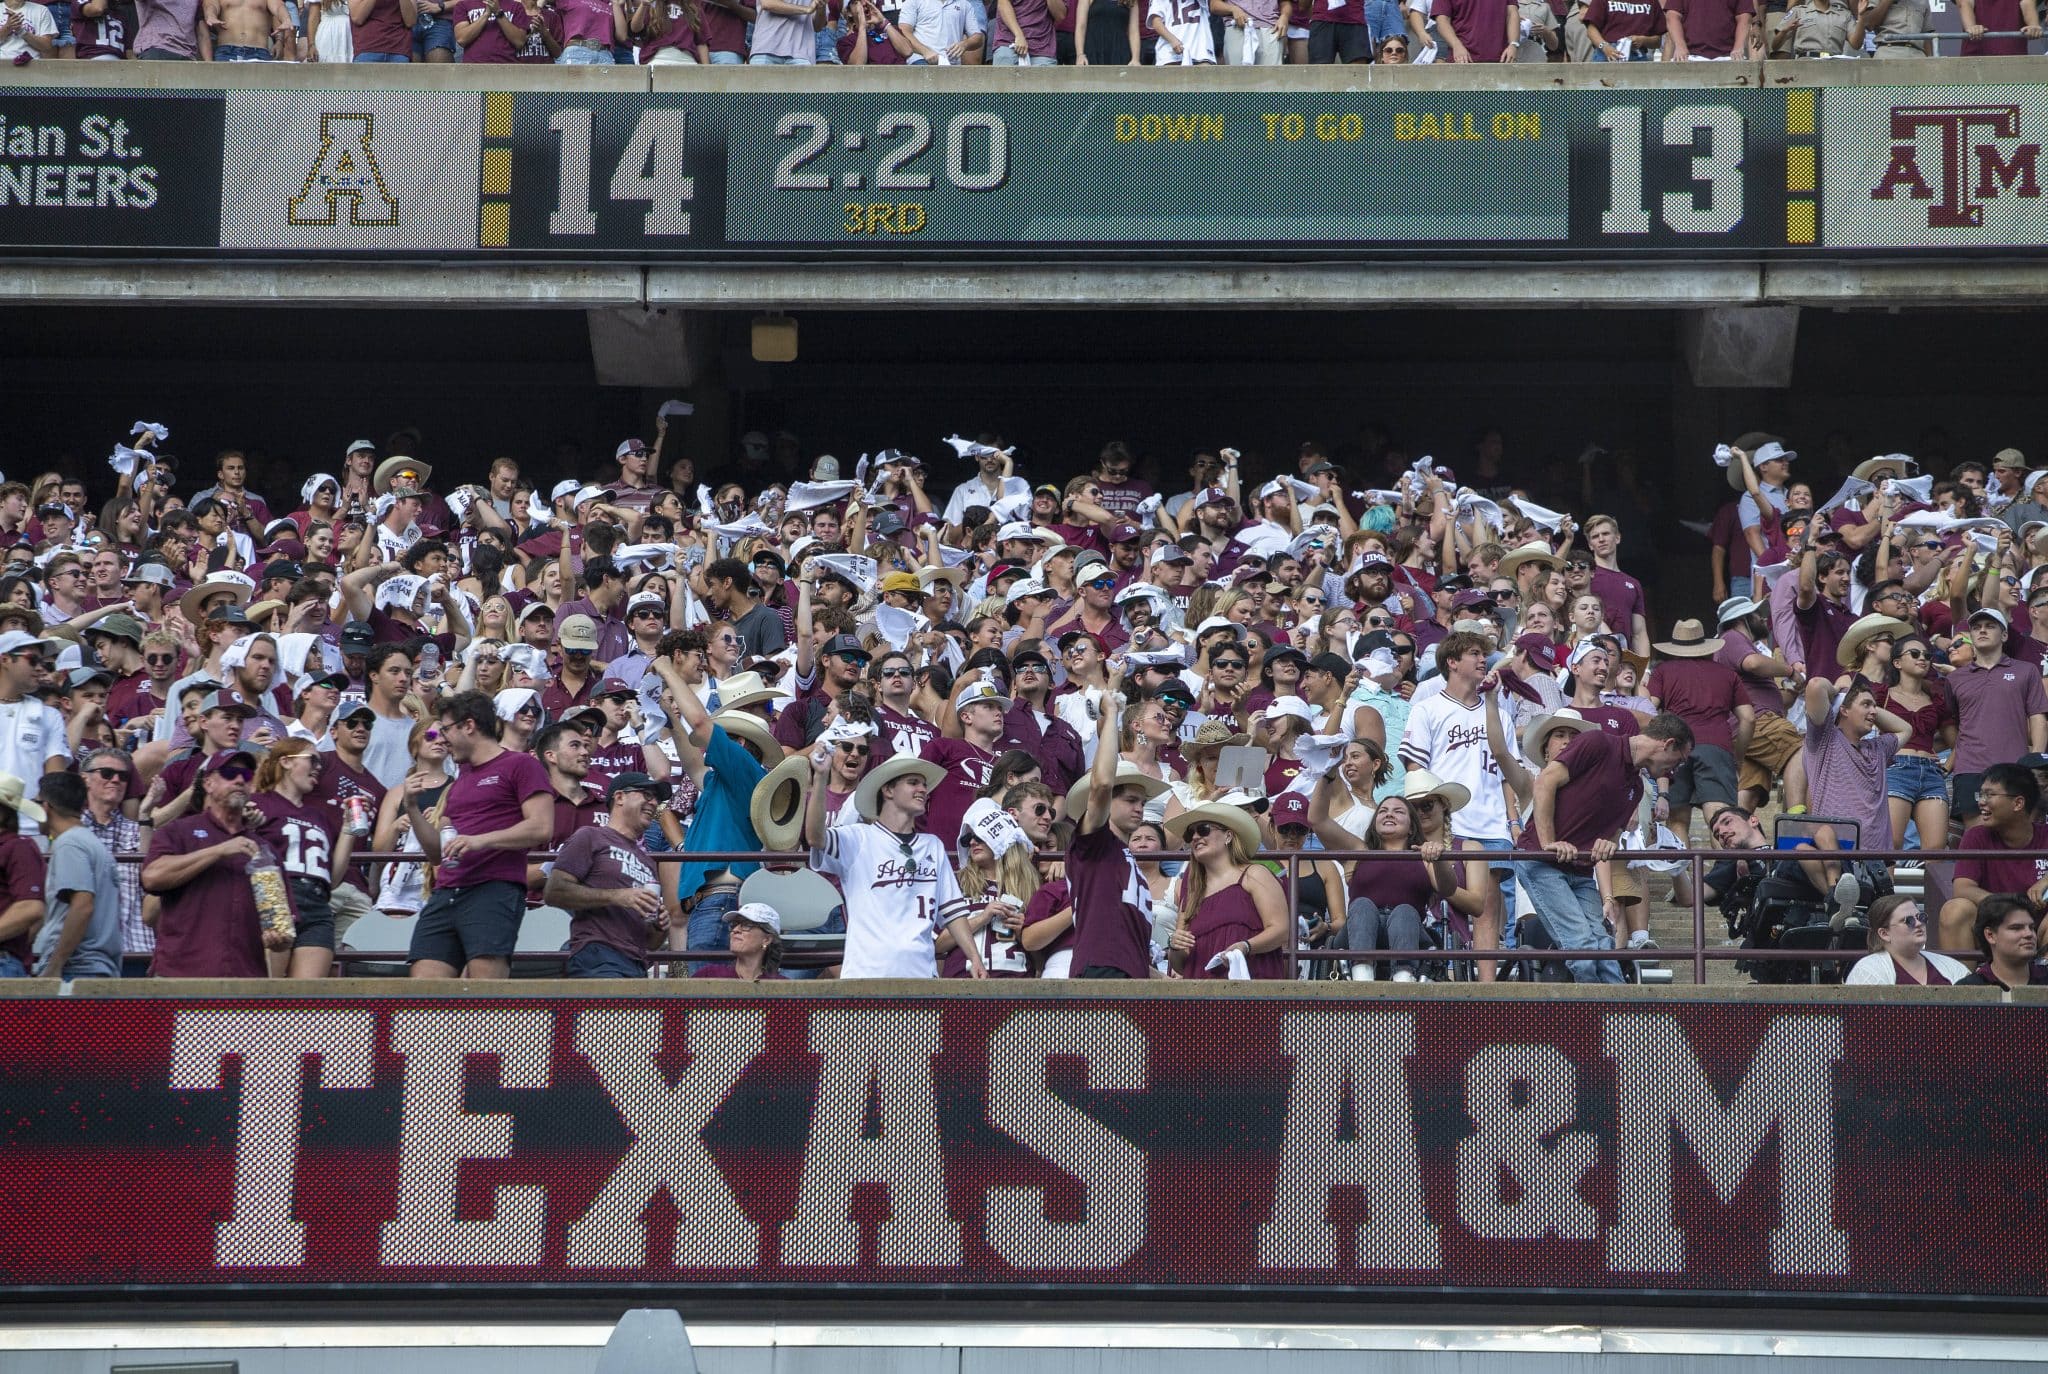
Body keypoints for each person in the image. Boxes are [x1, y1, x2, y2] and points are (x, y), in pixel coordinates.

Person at [1518, 713, 1694, 984]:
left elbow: (1611, 837)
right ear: (1668, 744)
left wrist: (1606, 846)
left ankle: (1619, 1017)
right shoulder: (1598, 742)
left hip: (1580, 871)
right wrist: (1548, 844)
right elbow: (1545, 781)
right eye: (1678, 760)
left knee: (1603, 947)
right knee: (1584, 948)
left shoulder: (1636, 786)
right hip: (1542, 863)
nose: (1674, 771)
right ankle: (1598, 1019)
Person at [407, 691, 553, 980]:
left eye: (446, 729)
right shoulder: (462, 778)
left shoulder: (521, 765)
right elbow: (438, 851)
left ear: (469, 726)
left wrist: (478, 840)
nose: (442, 739)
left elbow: (541, 827)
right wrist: (411, 807)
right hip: (447, 891)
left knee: (485, 994)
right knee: (422, 994)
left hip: (493, 890)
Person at [804, 749, 985, 979]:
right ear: (888, 790)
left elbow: (953, 912)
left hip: (922, 976)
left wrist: (974, 957)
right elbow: (815, 837)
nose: (923, 789)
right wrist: (820, 778)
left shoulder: (933, 846)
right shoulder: (858, 838)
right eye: (913, 783)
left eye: (924, 784)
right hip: (866, 976)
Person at [141, 750, 289, 977]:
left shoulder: (264, 849)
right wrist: (219, 851)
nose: (240, 780)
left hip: (243, 981)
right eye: (231, 773)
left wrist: (278, 939)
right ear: (208, 784)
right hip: (180, 977)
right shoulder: (179, 831)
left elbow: (280, 928)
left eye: (247, 775)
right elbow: (152, 877)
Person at [1065, 665, 1169, 979]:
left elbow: (1129, 940)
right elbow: (1100, 785)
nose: (1140, 809)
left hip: (1132, 976)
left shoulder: (1129, 859)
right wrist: (1111, 716)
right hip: (1100, 971)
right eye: (1130, 800)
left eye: (1142, 801)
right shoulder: (1094, 843)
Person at [546, 772, 674, 979]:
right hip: (597, 955)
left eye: (656, 799)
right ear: (620, 797)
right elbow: (554, 891)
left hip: (636, 964)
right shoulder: (590, 836)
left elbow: (650, 942)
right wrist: (618, 896)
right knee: (608, 1012)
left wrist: (660, 927)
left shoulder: (648, 862)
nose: (654, 802)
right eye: (646, 794)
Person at [250, 738, 356, 980]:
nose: (318, 766)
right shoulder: (259, 803)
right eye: (312, 759)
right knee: (266, 990)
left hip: (318, 904)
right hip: (278, 895)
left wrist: (349, 828)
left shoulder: (318, 816)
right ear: (286, 762)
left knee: (306, 1000)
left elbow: (334, 878)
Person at [1164, 800, 1289, 979]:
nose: (1195, 837)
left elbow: (1281, 930)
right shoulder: (1192, 893)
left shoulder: (1255, 874)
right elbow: (1183, 966)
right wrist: (1174, 947)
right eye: (1190, 833)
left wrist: (1246, 946)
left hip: (1250, 992)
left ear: (1228, 836)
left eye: (1204, 829)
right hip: (1202, 998)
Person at [1943, 763, 2048, 950]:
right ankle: (1965, 980)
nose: (1981, 802)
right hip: (1996, 924)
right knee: (1955, 910)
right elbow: (1963, 889)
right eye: (1981, 795)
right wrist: (2011, 908)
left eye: (1990, 795)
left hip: (2040, 927)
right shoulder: (1975, 836)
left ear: (2018, 803)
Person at [29, 772, 121, 981]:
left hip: (76, 969)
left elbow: (82, 905)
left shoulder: (69, 844)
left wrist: (54, 966)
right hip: (95, 968)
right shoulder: (91, 843)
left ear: (45, 807)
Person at [1844, 894, 1967, 986]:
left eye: (1921, 917)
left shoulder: (1951, 967)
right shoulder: (1867, 970)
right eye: (1908, 921)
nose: (1919, 923)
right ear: (1884, 933)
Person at [1957, 895, 2048, 989]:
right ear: (1990, 935)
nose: (2029, 934)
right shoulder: (1967, 989)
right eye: (2016, 928)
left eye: (2031, 927)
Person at [690, 901, 786, 979]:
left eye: (746, 925)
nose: (735, 930)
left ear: (767, 939)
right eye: (734, 924)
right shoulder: (708, 975)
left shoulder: (781, 986)